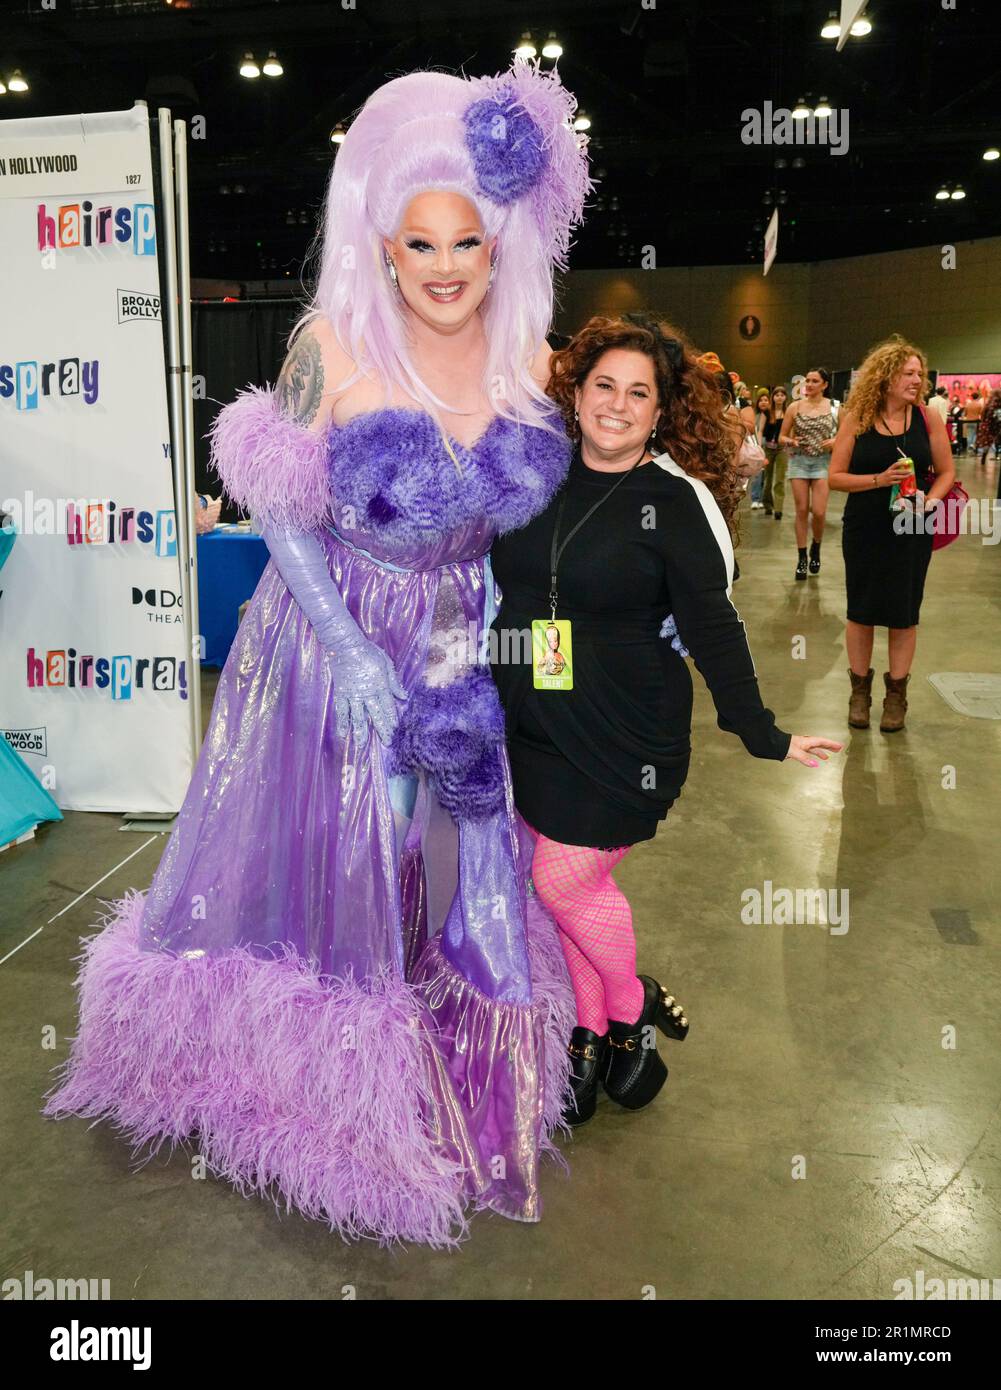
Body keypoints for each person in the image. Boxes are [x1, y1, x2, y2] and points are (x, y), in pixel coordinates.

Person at [45, 60, 591, 1247]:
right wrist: (347, 648)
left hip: (445, 646)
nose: (445, 267)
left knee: (447, 866)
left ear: (497, 249)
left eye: (467, 245)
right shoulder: (328, 345)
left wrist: (488, 629)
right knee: (339, 850)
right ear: (385, 247)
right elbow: (283, 512)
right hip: (325, 640)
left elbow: (492, 535)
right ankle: (324, 1108)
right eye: (421, 244)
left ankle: (451, 1092)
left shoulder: (519, 363)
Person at [488, 315, 842, 1124]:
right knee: (572, 886)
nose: (616, 405)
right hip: (535, 719)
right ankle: (590, 1035)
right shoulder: (535, 476)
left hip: (623, 729)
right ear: (574, 394)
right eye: (602, 385)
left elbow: (712, 627)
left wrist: (763, 731)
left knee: (563, 878)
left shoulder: (672, 500)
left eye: (637, 394)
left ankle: (629, 1001)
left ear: (659, 412)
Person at [828, 335, 955, 732]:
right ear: (885, 377)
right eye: (908, 373)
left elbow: (947, 472)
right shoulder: (857, 418)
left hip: (912, 526)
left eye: (919, 373)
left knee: (903, 614)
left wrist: (931, 501)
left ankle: (896, 696)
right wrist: (880, 479)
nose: (918, 380)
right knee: (861, 612)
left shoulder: (927, 418)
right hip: (865, 526)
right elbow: (835, 477)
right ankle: (859, 692)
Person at [779, 367, 838, 580]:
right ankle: (802, 557)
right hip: (799, 462)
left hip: (823, 462)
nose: (809, 385)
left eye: (815, 381)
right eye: (808, 381)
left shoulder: (835, 408)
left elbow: (848, 435)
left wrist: (835, 441)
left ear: (824, 384)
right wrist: (792, 441)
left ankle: (817, 547)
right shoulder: (794, 407)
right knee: (801, 509)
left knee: (820, 512)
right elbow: (781, 437)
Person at [761, 383, 789, 520]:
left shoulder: (788, 412)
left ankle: (778, 509)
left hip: (782, 449)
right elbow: (760, 430)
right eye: (777, 395)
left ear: (785, 397)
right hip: (768, 449)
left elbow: (791, 431)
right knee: (767, 479)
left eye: (782, 395)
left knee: (780, 479)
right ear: (773, 397)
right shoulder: (767, 412)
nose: (779, 398)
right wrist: (759, 449)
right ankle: (767, 505)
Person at [750, 388, 772, 510]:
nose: (763, 402)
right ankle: (755, 498)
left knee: (766, 475)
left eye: (766, 400)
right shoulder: (755, 415)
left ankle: (763, 499)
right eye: (761, 400)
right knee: (757, 474)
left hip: (770, 446)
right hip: (757, 445)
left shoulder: (772, 415)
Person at [976, 387, 1001, 463]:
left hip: (986, 425)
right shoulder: (998, 402)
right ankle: (996, 454)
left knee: (986, 442)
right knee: (996, 440)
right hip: (996, 424)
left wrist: (984, 421)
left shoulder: (989, 403)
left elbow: (983, 413)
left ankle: (984, 455)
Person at [964, 390, 983, 455]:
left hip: (969, 420)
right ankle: (974, 447)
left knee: (969, 435)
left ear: (972, 397)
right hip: (976, 421)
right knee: (975, 435)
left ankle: (969, 448)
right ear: (977, 397)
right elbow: (981, 413)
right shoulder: (979, 404)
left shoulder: (968, 404)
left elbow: (965, 413)